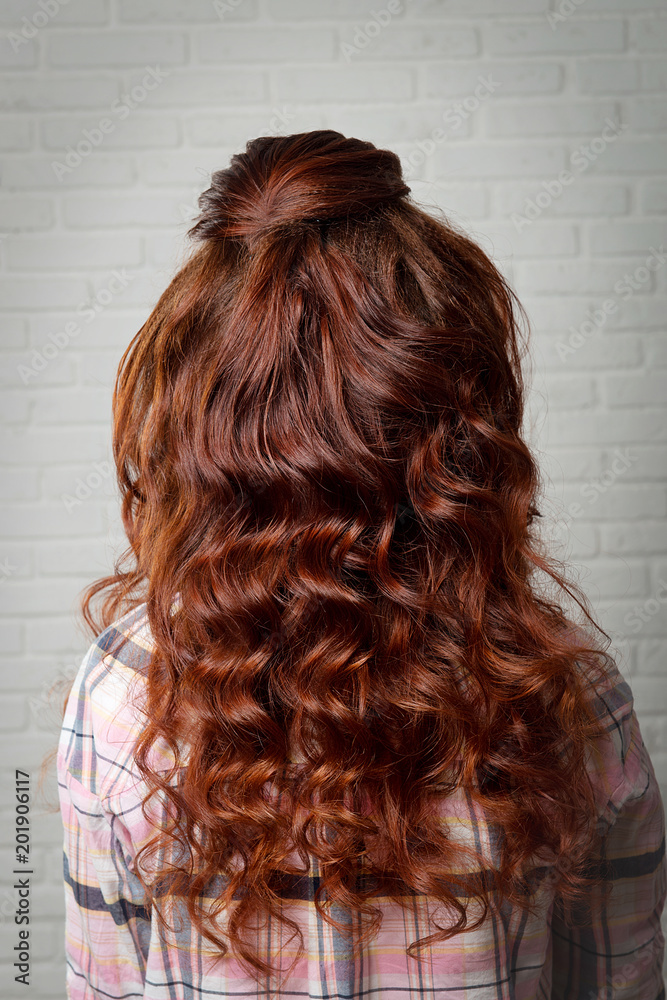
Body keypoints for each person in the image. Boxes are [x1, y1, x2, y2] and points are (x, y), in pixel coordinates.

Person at [57, 129, 666, 999]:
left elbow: (103, 984)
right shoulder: (566, 700)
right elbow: (617, 984)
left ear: (202, 423)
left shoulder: (121, 693)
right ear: (452, 420)